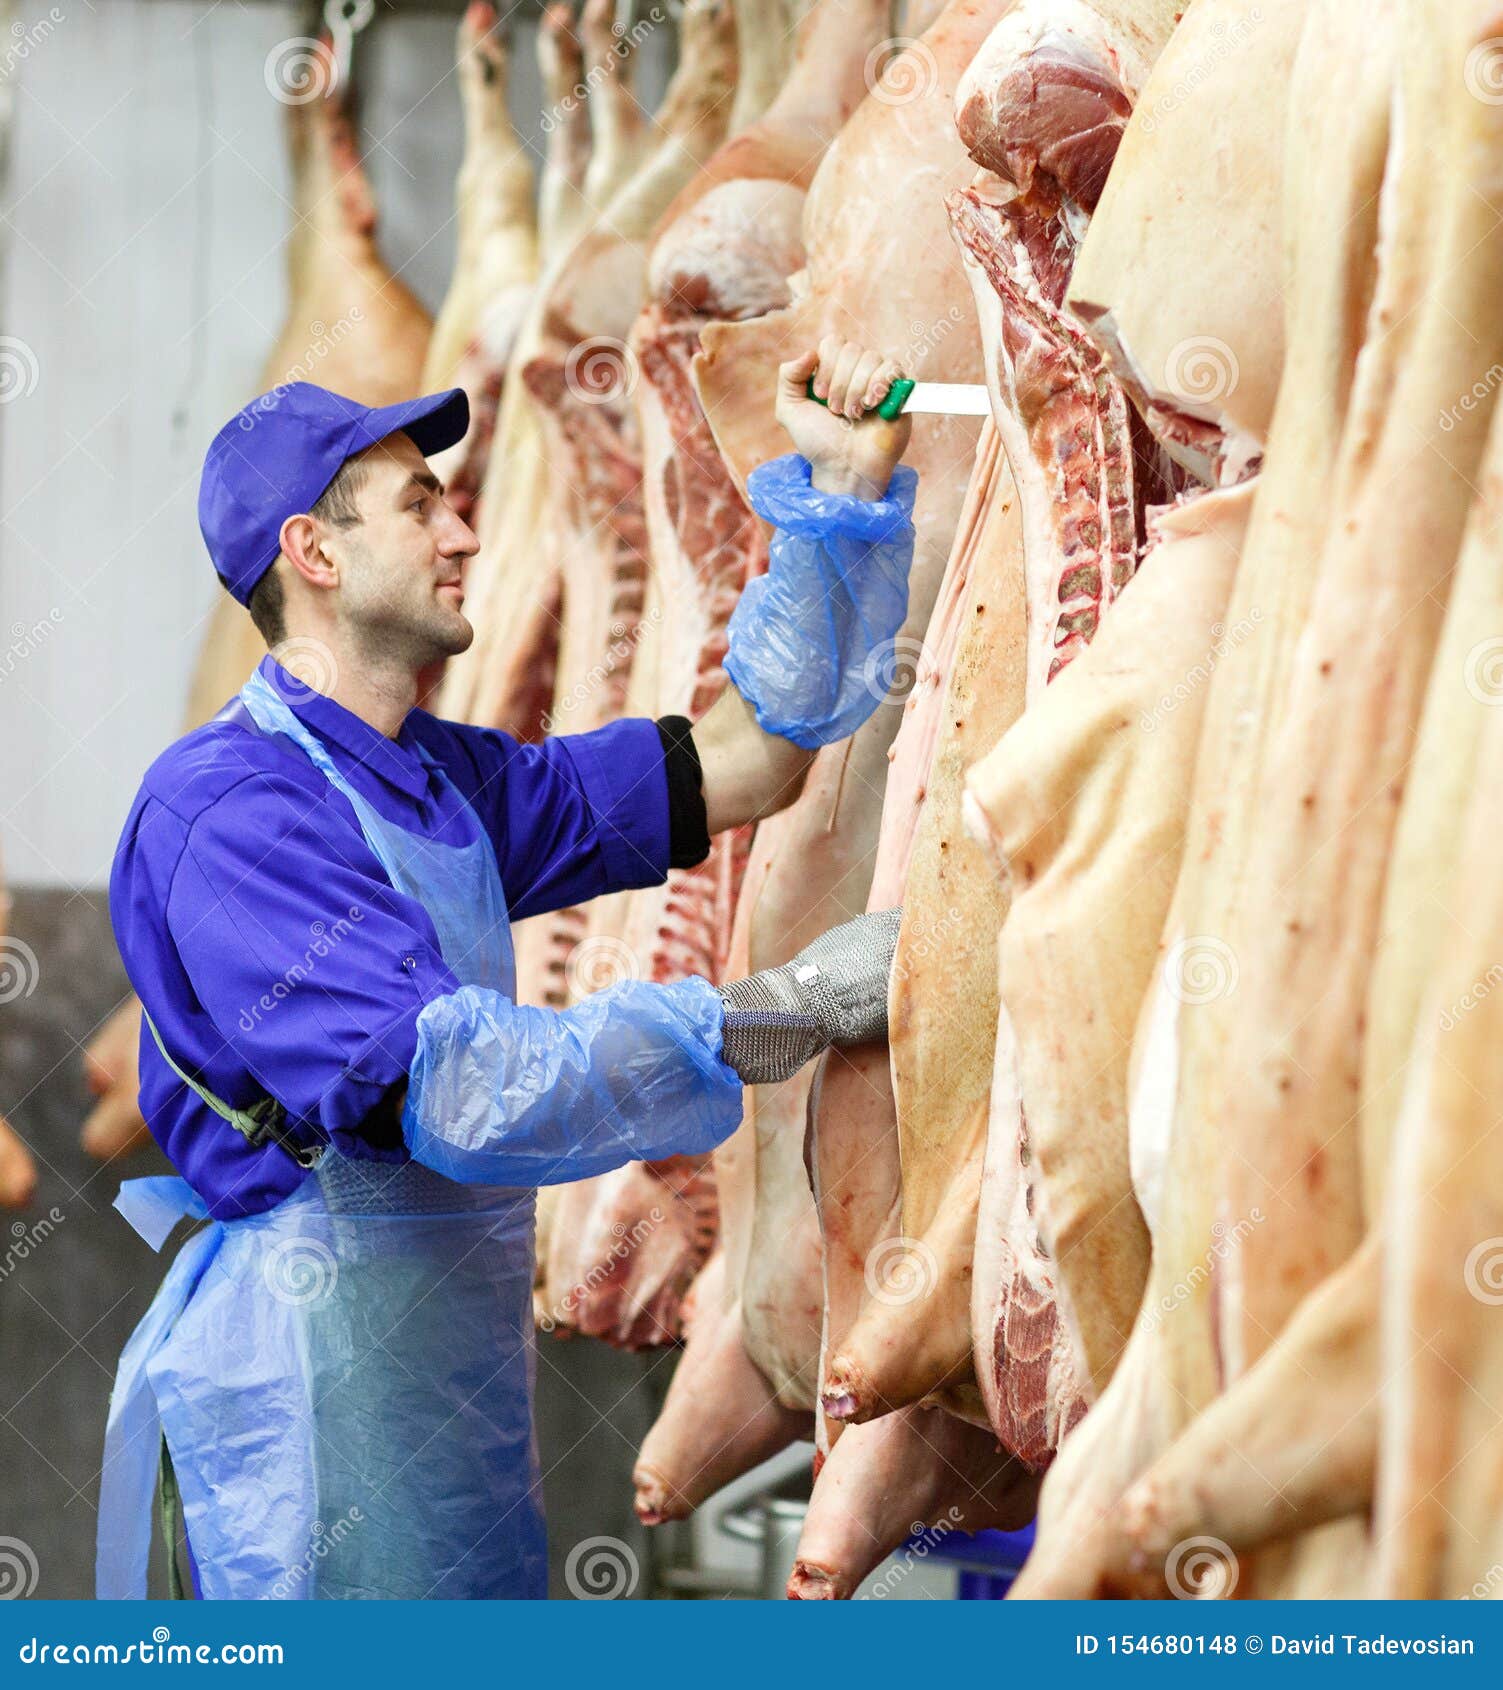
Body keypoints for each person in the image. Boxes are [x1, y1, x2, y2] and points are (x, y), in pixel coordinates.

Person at [97, 339, 918, 1600]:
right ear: (313, 554)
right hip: (308, 1406)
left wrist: (842, 504)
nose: (466, 532)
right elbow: (458, 1090)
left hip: (458, 1402)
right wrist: (777, 1013)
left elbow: (747, 759)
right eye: (421, 504)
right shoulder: (230, 811)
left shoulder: (445, 781)